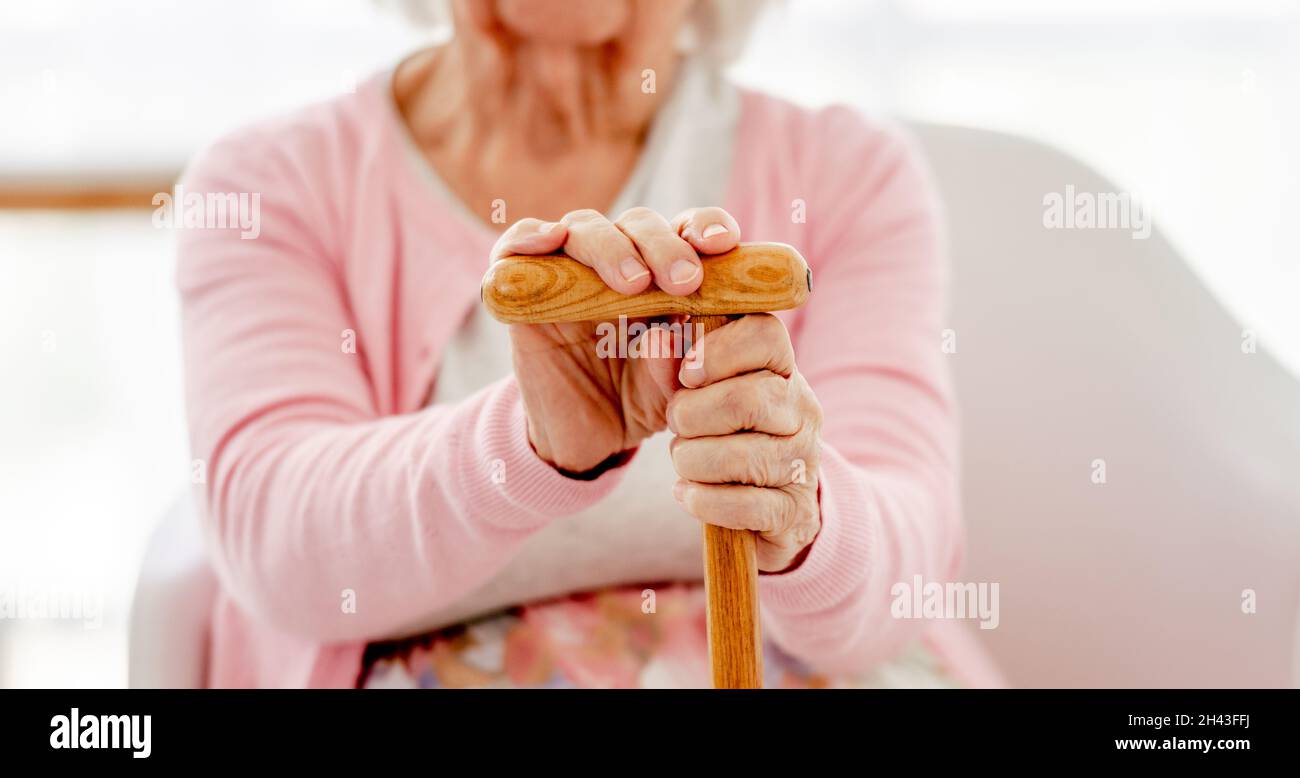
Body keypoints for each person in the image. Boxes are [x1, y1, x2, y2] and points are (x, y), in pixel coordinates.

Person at [176, 0, 1002, 688]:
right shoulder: (265, 182)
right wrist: (529, 445)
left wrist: (802, 516)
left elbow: (910, 569)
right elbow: (278, 547)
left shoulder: (848, 170)